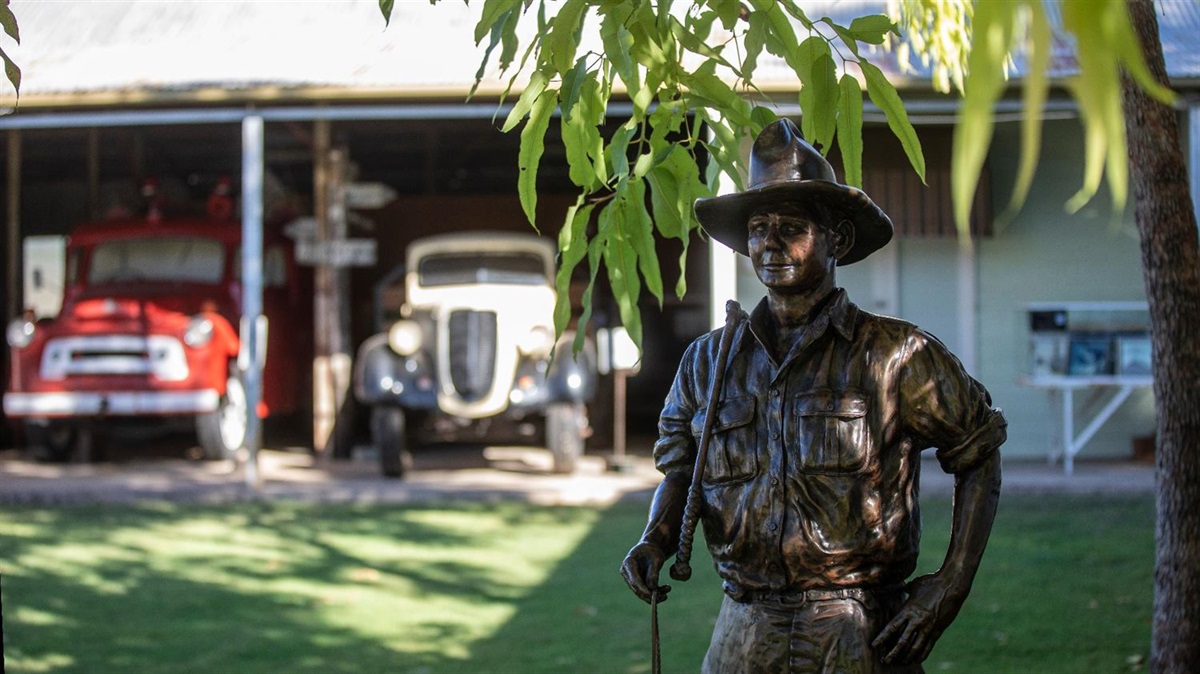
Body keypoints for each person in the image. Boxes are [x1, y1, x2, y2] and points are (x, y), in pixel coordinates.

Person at [620, 119, 1005, 673]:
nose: (770, 244)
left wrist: (949, 585)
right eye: (758, 228)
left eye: (791, 226)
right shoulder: (708, 363)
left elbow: (979, 452)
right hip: (743, 629)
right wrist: (654, 540)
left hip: (856, 631)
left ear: (837, 239)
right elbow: (681, 471)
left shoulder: (897, 355)